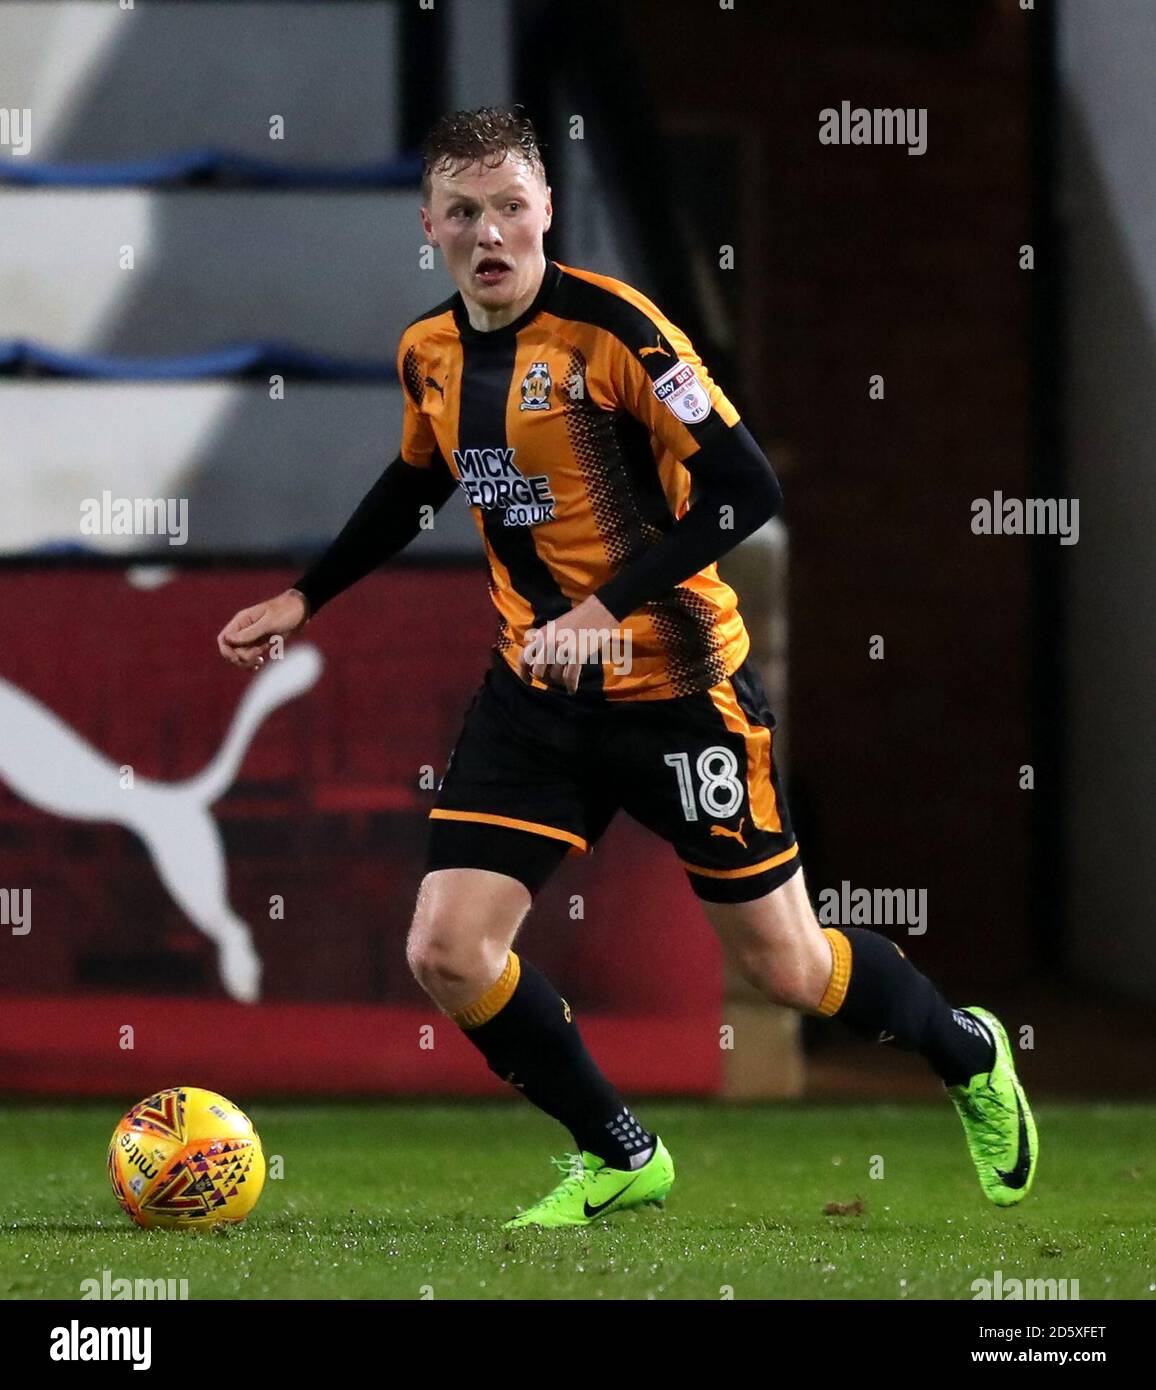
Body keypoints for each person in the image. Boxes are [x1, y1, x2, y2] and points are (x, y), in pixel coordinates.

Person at [217, 106, 1037, 1229]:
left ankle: (967, 1049)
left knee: (792, 969)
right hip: (534, 703)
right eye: (464, 212)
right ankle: (619, 1151)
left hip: (681, 697)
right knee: (448, 950)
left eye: (511, 205)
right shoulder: (429, 353)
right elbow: (416, 486)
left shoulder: (619, 331)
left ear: (547, 209)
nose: (490, 231)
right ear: (429, 226)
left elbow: (748, 488)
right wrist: (303, 596)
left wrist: (605, 606)